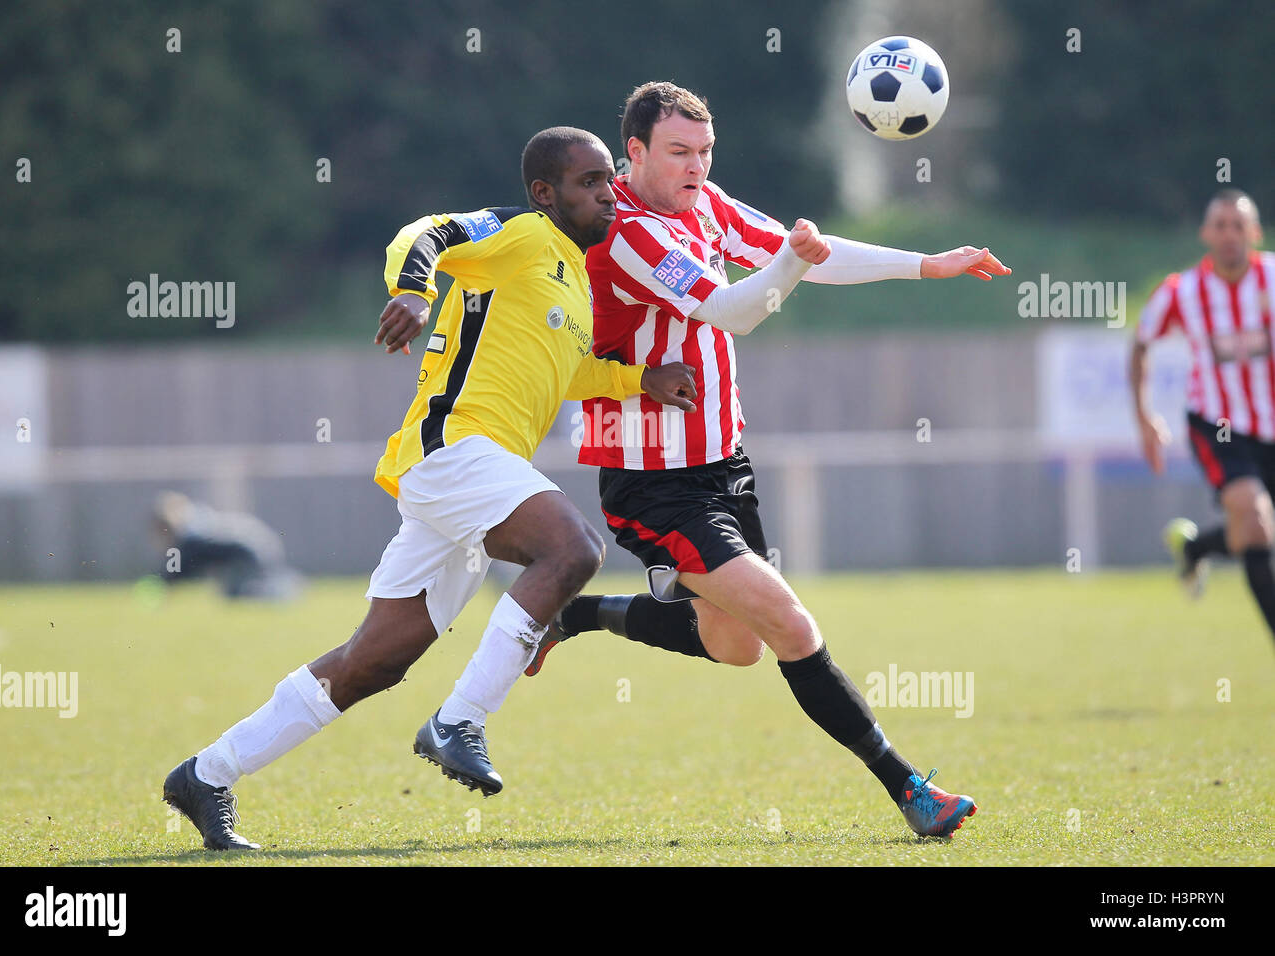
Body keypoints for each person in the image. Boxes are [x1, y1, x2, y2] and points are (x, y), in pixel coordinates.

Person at [160, 126, 697, 850]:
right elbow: (426, 233)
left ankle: (205, 775)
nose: (607, 193)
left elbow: (567, 374)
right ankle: (461, 719)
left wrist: (640, 381)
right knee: (573, 550)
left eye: (609, 181)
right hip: (453, 451)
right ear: (546, 192)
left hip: (471, 477)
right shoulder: (521, 232)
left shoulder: (572, 274)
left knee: (372, 663)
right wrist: (413, 291)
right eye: (589, 181)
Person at [529, 82, 1012, 839]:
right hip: (654, 484)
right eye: (679, 152)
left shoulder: (708, 203)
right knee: (790, 623)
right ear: (635, 152)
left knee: (737, 645)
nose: (696, 165)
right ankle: (912, 790)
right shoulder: (625, 230)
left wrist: (925, 264)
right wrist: (791, 263)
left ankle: (579, 615)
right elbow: (733, 308)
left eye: (705, 151)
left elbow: (806, 259)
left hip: (723, 465)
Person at [1134, 188, 1275, 644]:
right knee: (1254, 520)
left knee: (1253, 532)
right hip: (1218, 424)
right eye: (1221, 225)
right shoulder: (1183, 291)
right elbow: (1140, 345)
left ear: (1254, 232)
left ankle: (1196, 547)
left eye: (1239, 226)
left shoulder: (1273, 278)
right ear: (1206, 233)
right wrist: (1145, 418)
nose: (1230, 234)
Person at [150, 491, 303, 600]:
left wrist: (160, 585)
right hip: (262, 545)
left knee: (238, 595)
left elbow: (177, 570)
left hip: (251, 555)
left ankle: (284, 589)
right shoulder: (199, 519)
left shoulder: (192, 537)